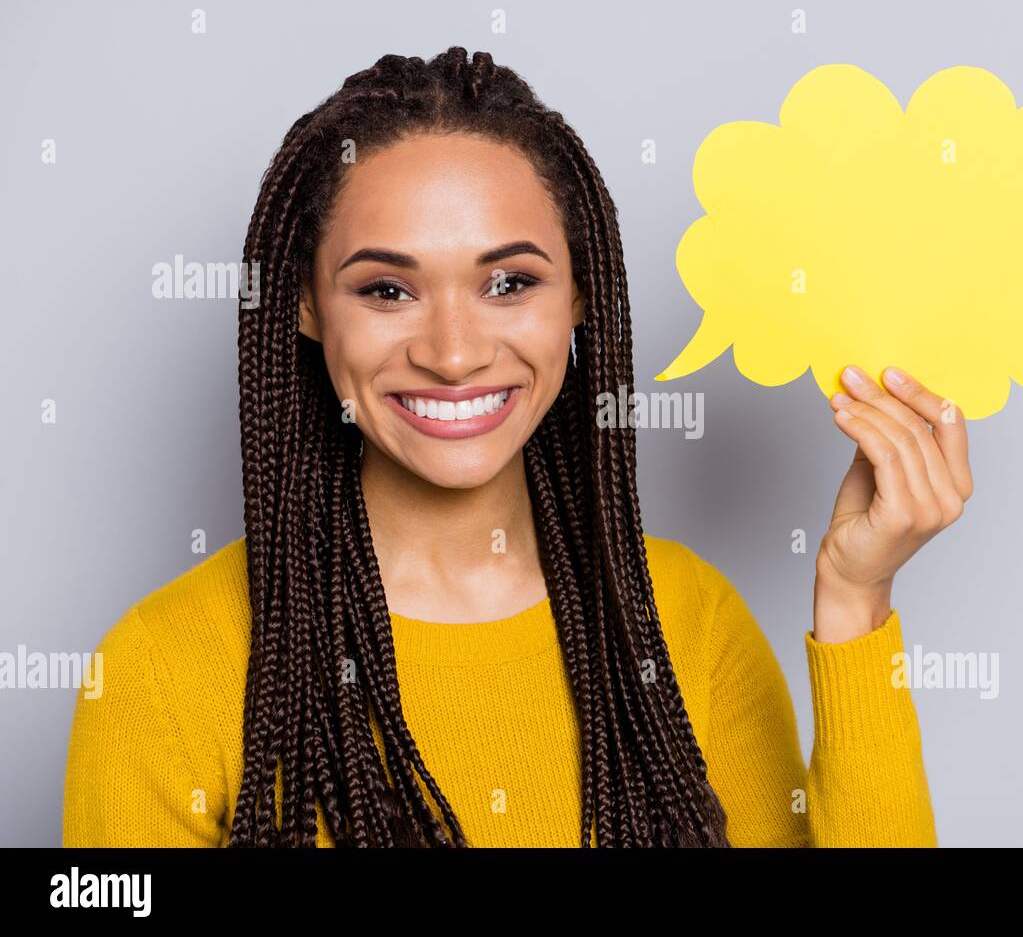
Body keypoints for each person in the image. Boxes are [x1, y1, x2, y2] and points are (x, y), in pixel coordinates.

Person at [62, 47, 973, 848]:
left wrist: (856, 602)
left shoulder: (686, 625)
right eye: (386, 290)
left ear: (580, 297)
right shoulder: (159, 671)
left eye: (508, 282)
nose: (454, 354)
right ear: (305, 307)